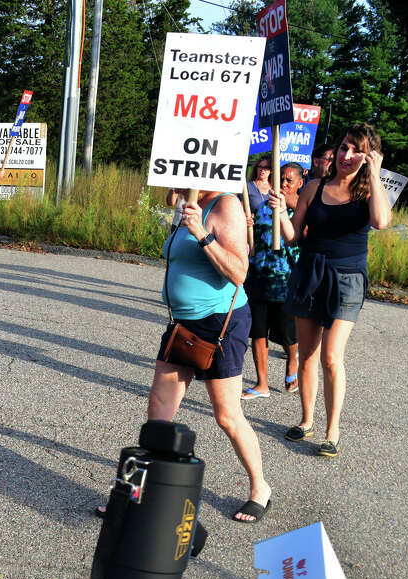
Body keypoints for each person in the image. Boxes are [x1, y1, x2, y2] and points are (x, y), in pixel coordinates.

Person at [151, 189, 271, 523]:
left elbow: (239, 272)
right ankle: (142, 493)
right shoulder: (188, 202)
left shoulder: (226, 205)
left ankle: (260, 488)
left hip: (219, 324)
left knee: (227, 416)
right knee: (159, 414)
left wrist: (201, 233)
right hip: (182, 323)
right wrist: (182, 209)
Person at [284, 123, 391, 458]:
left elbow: (381, 222)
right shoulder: (314, 187)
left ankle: (332, 431)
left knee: (331, 357)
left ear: (369, 157)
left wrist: (375, 174)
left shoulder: (370, 191)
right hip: (310, 273)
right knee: (307, 353)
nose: (346, 155)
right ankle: (306, 420)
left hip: (347, 279)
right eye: (344, 147)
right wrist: (279, 212)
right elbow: (293, 236)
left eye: (357, 150)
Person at [242, 162, 303, 400]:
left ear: (299, 183)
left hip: (285, 282)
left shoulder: (301, 210)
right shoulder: (264, 207)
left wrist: (287, 209)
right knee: (258, 332)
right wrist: (248, 225)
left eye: (289, 180)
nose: (284, 184)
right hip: (258, 277)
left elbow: (303, 240)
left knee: (288, 334)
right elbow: (252, 238)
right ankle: (262, 383)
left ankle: (292, 361)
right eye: (280, 179)